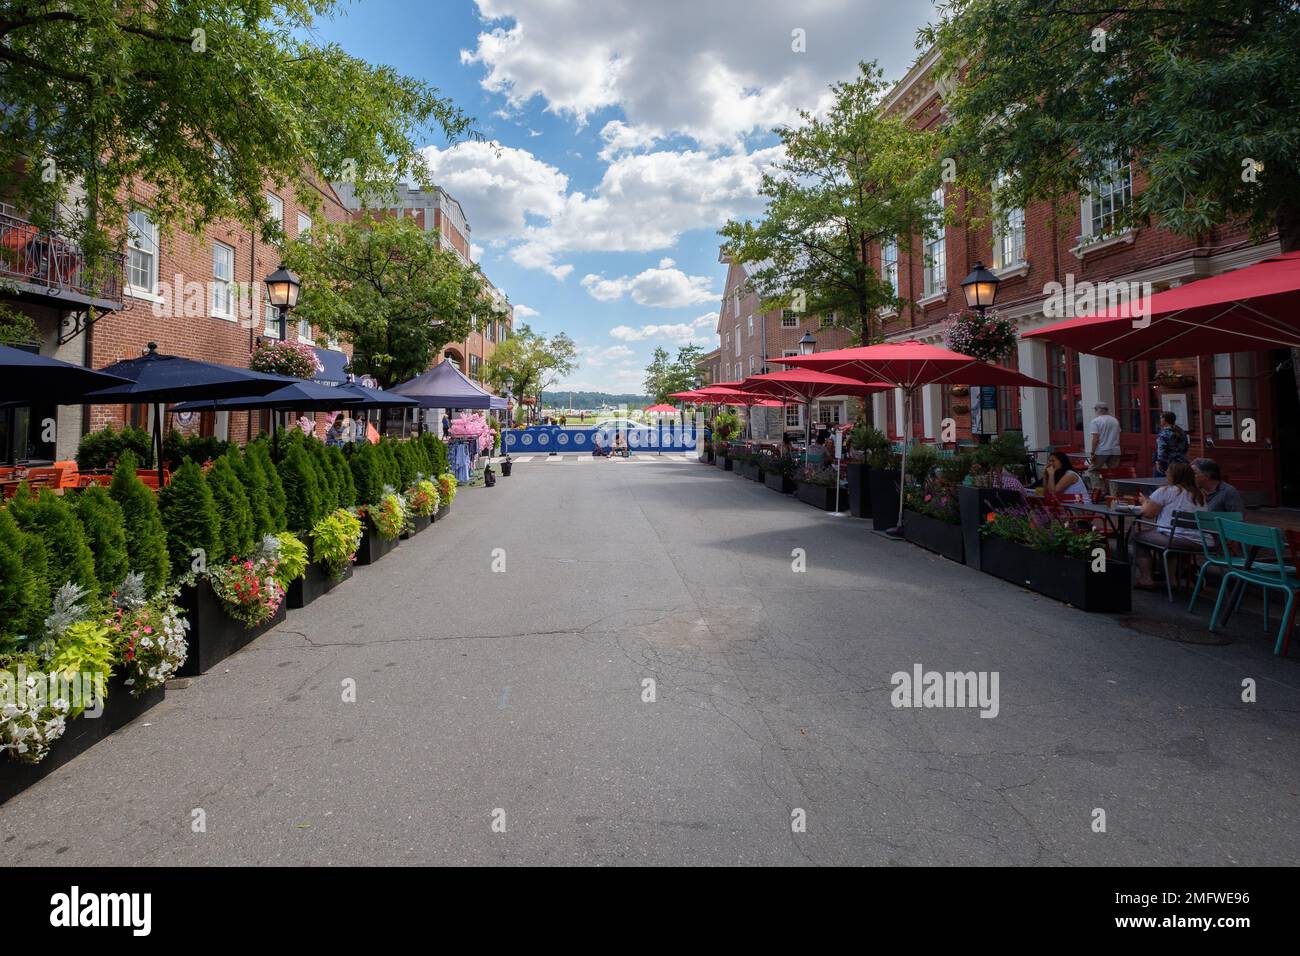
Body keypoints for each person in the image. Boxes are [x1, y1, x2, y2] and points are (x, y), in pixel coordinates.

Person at [1133, 461, 1206, 589]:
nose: (1166, 473)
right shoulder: (1200, 495)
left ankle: (1146, 579)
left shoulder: (1166, 491)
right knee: (1167, 538)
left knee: (1138, 538)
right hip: (1200, 540)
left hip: (1176, 537)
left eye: (1168, 471)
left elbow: (1148, 513)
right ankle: (1171, 580)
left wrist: (1145, 501)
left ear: (1173, 475)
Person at [1087, 402, 1123, 472]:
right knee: (1113, 472)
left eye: (1095, 409)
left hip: (1101, 450)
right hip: (1115, 450)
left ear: (1097, 410)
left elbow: (1095, 439)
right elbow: (1118, 434)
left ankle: (1097, 483)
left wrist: (1092, 452)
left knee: (1093, 470)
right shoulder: (1115, 420)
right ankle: (1112, 483)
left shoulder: (1096, 421)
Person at [1153, 411, 1189, 477]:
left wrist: (1159, 462)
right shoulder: (1181, 432)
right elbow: (1186, 447)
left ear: (1164, 420)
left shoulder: (1164, 434)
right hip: (1181, 462)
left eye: (1161, 418)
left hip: (1168, 463)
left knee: (1159, 482)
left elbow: (1162, 450)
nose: (1160, 420)